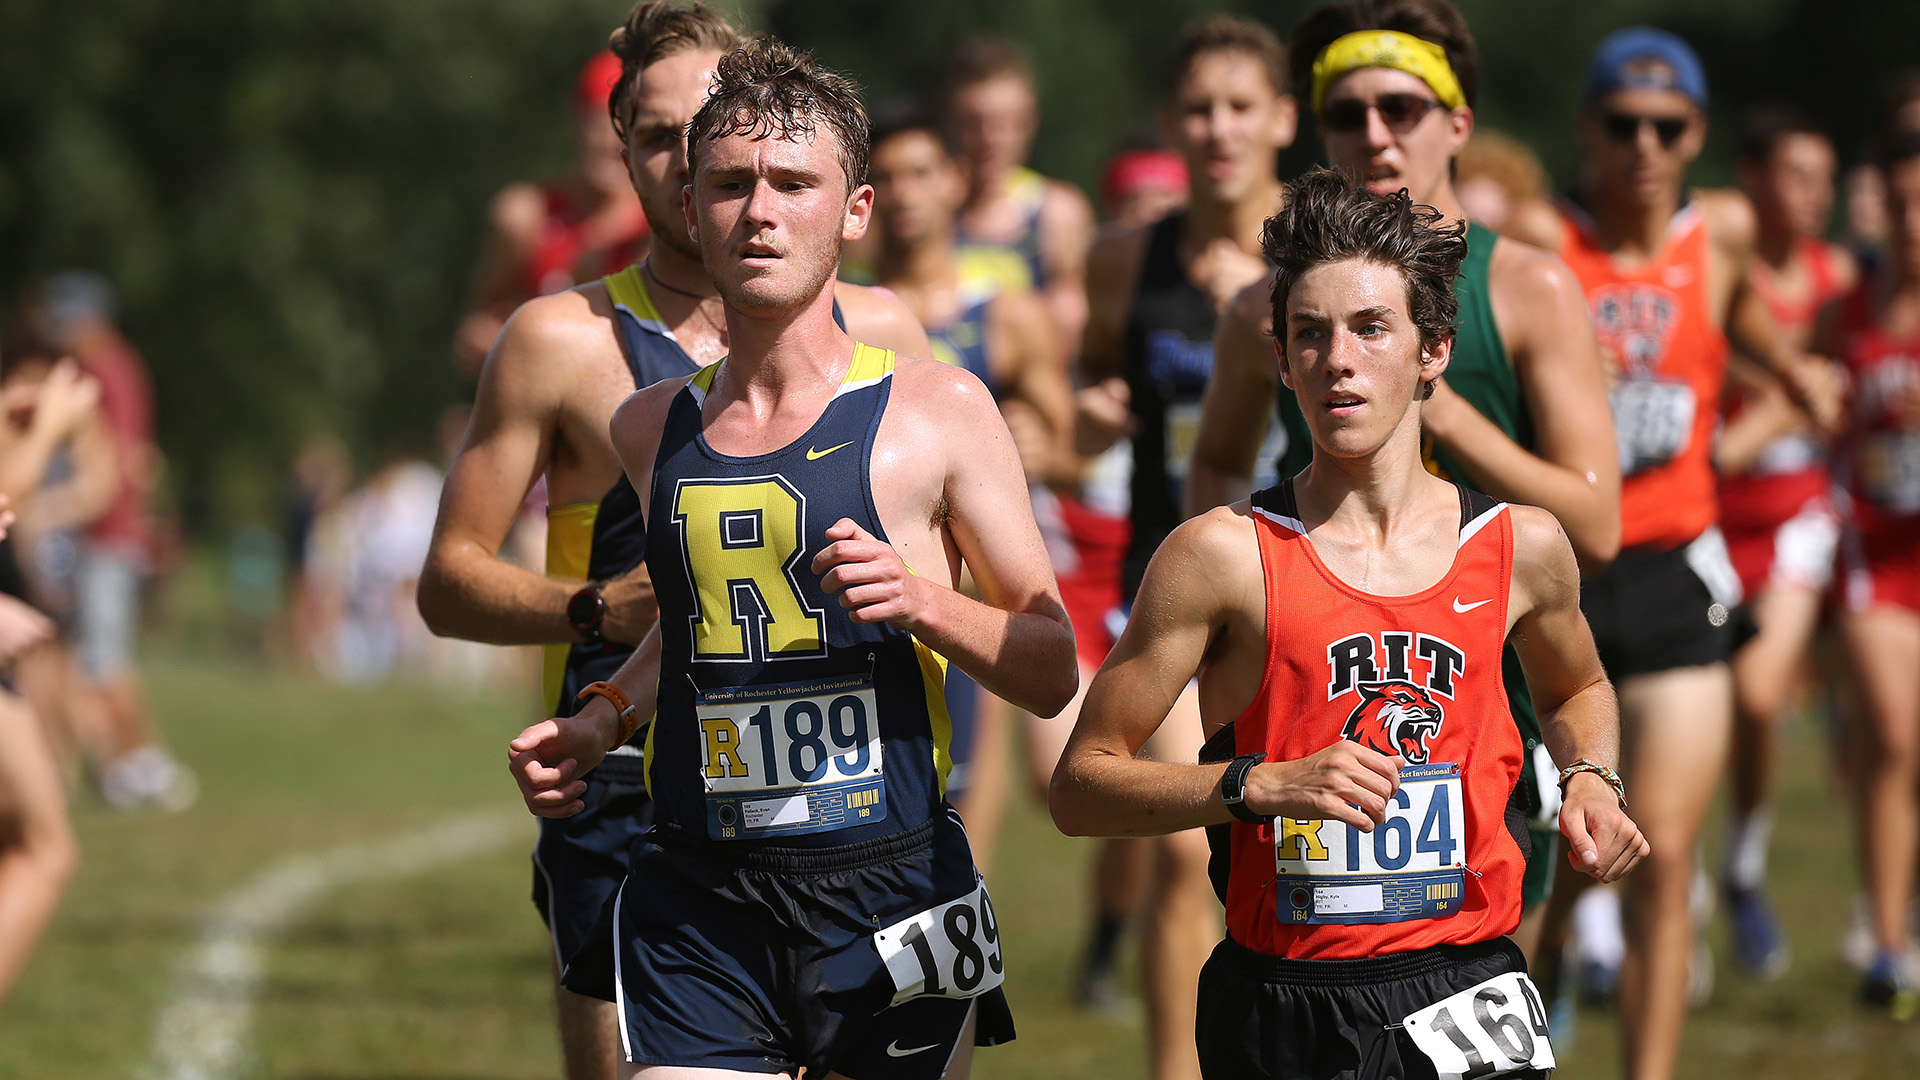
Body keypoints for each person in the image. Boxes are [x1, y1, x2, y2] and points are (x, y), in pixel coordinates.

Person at [508, 37, 1076, 1079]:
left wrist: (925, 603)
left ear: (854, 210)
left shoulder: (937, 411)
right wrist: (601, 722)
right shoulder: (645, 428)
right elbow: (696, 624)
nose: (758, 211)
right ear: (691, 206)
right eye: (728, 184)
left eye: (793, 183)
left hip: (892, 885)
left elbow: (1049, 666)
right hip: (701, 897)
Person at [418, 6, 930, 1079]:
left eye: (706, 127)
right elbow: (448, 583)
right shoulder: (561, 340)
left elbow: (956, 569)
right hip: (622, 786)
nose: (685, 157)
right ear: (625, 149)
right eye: (656, 136)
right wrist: (599, 611)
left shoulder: (882, 331)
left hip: (847, 791)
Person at [1051, 167, 1647, 1080]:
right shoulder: (1221, 555)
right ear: (1281, 359)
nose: (1339, 359)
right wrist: (1260, 785)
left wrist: (1593, 777)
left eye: (1372, 328)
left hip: (1470, 985)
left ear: (1433, 351)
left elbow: (1578, 686)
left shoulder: (1520, 545)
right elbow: (1082, 786)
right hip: (1283, 1002)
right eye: (1311, 334)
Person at [1188, 0, 1622, 964]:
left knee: (1494, 962)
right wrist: (1228, 593)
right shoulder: (1264, 306)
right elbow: (1216, 461)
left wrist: (1441, 403)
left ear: (1458, 123)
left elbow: (1596, 523)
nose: (1374, 135)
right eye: (1346, 113)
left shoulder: (1528, 288)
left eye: (1403, 107)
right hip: (1319, 672)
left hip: (1493, 671)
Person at [1498, 28, 1832, 1080]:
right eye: (1621, 124)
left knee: (1664, 851)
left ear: (1694, 136)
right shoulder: (1542, 246)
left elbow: (1751, 332)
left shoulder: (1721, 233)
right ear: (1588, 131)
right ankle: (1546, 968)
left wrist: (1768, 402)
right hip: (1559, 578)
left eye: (1668, 125)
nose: (1644, 145)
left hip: (1678, 569)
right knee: (1562, 860)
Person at [1077, 16, 1297, 1078]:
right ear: (1172, 123)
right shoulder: (1124, 261)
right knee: (1178, 861)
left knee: (1291, 853)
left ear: (1283, 120)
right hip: (1167, 594)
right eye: (1200, 108)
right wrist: (1079, 414)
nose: (1219, 129)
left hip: (1309, 590)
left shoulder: (1327, 258)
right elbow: (1083, 381)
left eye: (1241, 106)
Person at [865, 106, 1075, 863]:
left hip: (966, 591)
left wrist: (1037, 448)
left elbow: (1069, 453)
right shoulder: (840, 312)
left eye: (920, 171)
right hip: (858, 585)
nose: (904, 192)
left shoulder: (1008, 316)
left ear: (956, 181)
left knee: (956, 810)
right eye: (884, 176)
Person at [1715, 105, 1856, 981]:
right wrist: (1785, 398)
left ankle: (1742, 868)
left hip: (1802, 516)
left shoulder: (1840, 279)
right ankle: (1656, 902)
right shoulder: (1718, 271)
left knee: (1761, 696)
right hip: (1716, 514)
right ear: (1754, 179)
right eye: (1798, 175)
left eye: (1826, 179)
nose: (1817, 196)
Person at [1826, 127, 1920, 1018]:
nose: (1914, 219)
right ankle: (1888, 950)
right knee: (1890, 739)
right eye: (1899, 202)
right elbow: (1800, 386)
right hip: (1875, 559)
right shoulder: (1849, 307)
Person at [454, 50, 652, 372]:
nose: (609, 141)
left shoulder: (656, 229)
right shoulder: (525, 217)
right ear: (576, 123)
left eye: (627, 127)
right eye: (599, 124)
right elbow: (476, 331)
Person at [944, 35, 1098, 348]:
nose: (990, 138)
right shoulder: (930, 207)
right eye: (974, 123)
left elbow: (1081, 329)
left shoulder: (1058, 212)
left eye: (1004, 122)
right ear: (952, 122)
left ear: (1029, 121)